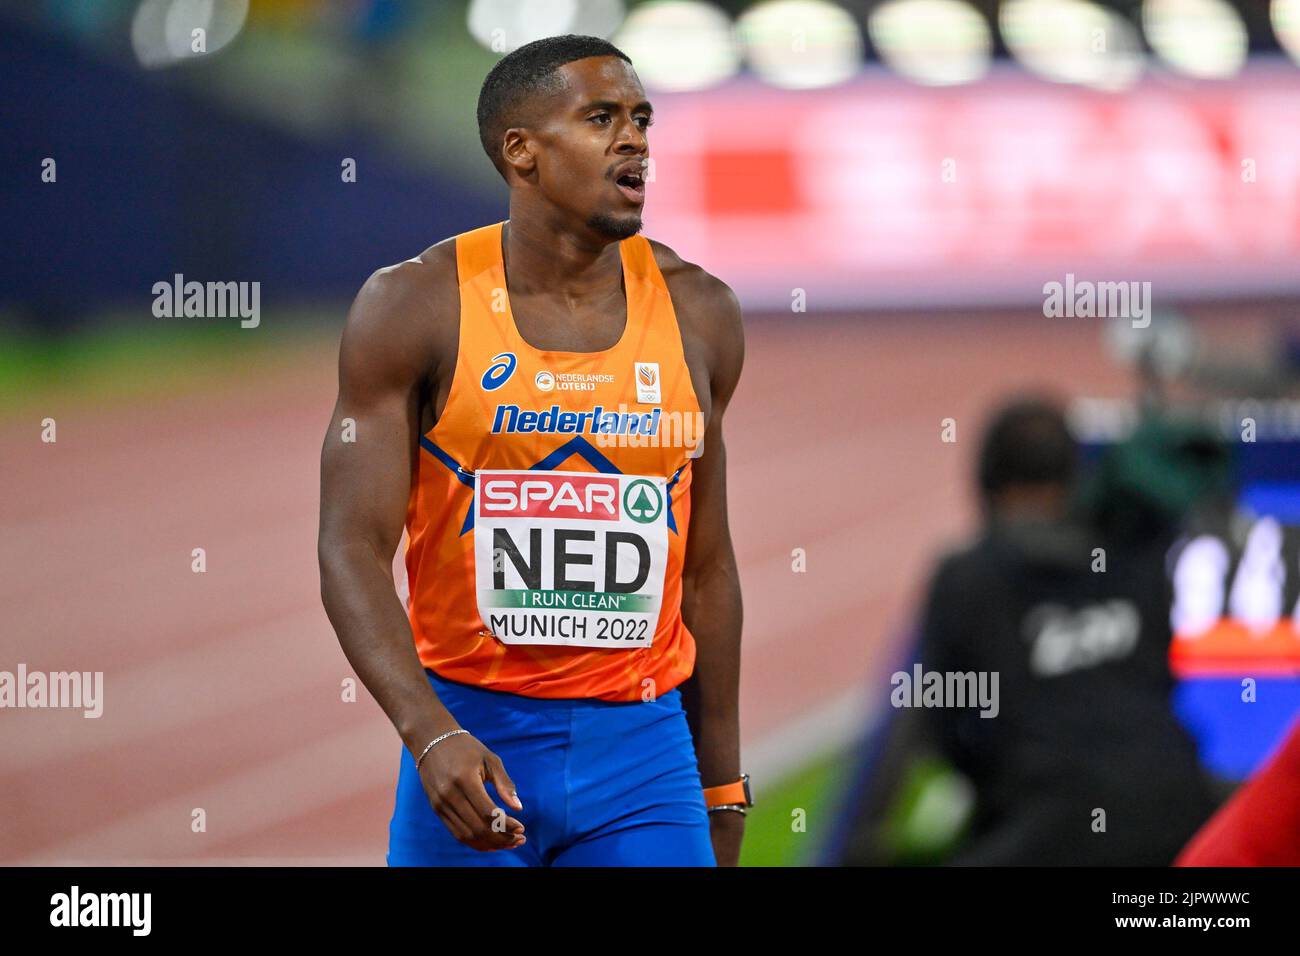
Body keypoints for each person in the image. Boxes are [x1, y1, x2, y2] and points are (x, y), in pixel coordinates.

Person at [317, 34, 748, 866]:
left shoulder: (701, 315)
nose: (636, 141)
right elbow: (349, 546)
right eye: (601, 118)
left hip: (645, 757)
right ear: (521, 150)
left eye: (642, 119)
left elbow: (707, 570)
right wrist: (429, 734)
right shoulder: (413, 307)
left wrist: (721, 783)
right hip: (471, 746)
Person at [836, 397, 1217, 865]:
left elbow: (909, 732)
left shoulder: (968, 577)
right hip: (1185, 823)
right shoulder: (1132, 552)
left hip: (1048, 837)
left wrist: (847, 850)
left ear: (988, 486)